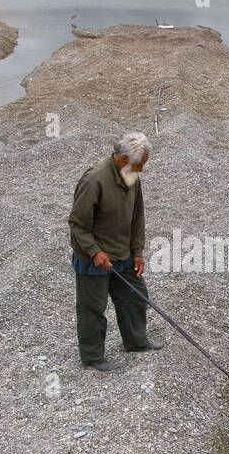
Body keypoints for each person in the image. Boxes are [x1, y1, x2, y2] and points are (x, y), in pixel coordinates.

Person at [67, 131, 163, 371]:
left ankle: (136, 343)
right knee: (93, 309)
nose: (140, 170)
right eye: (139, 165)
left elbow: (137, 217)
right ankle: (92, 357)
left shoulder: (131, 176)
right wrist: (95, 252)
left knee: (135, 297)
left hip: (124, 255)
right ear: (121, 159)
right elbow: (77, 224)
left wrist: (137, 252)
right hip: (93, 259)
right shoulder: (93, 181)